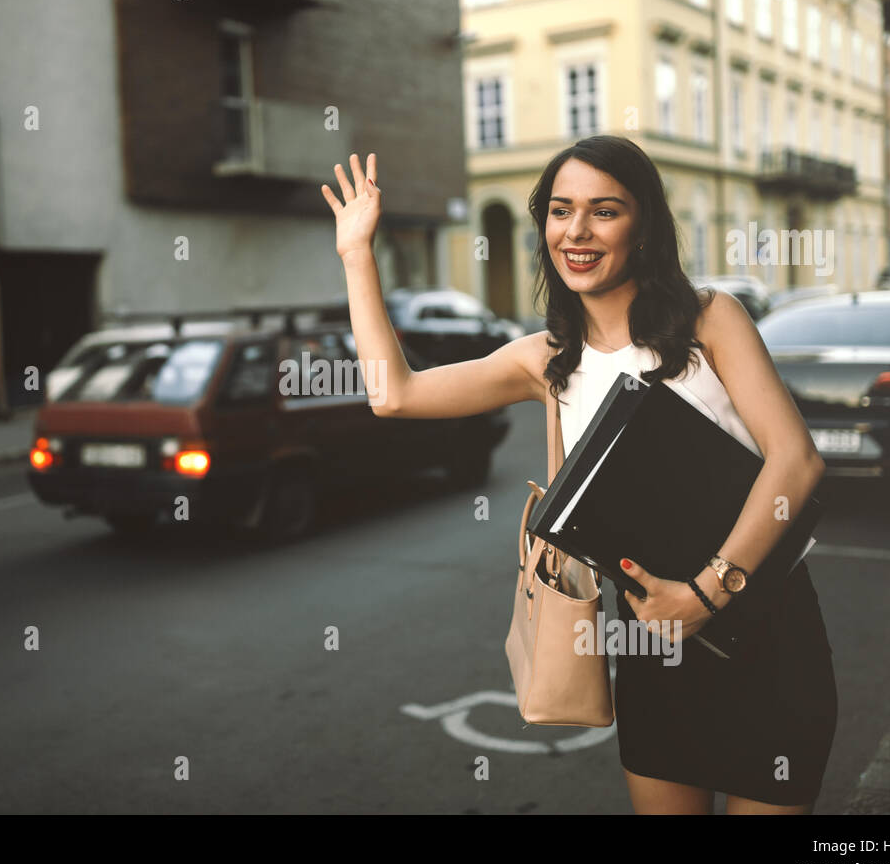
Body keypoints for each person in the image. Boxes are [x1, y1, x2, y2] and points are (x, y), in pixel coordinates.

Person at [321, 135, 838, 815]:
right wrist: (357, 254)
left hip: (766, 629)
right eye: (561, 210)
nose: (578, 231)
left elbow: (796, 460)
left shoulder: (710, 320)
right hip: (653, 644)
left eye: (605, 211)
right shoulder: (546, 359)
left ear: (643, 226)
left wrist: (709, 592)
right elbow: (395, 394)